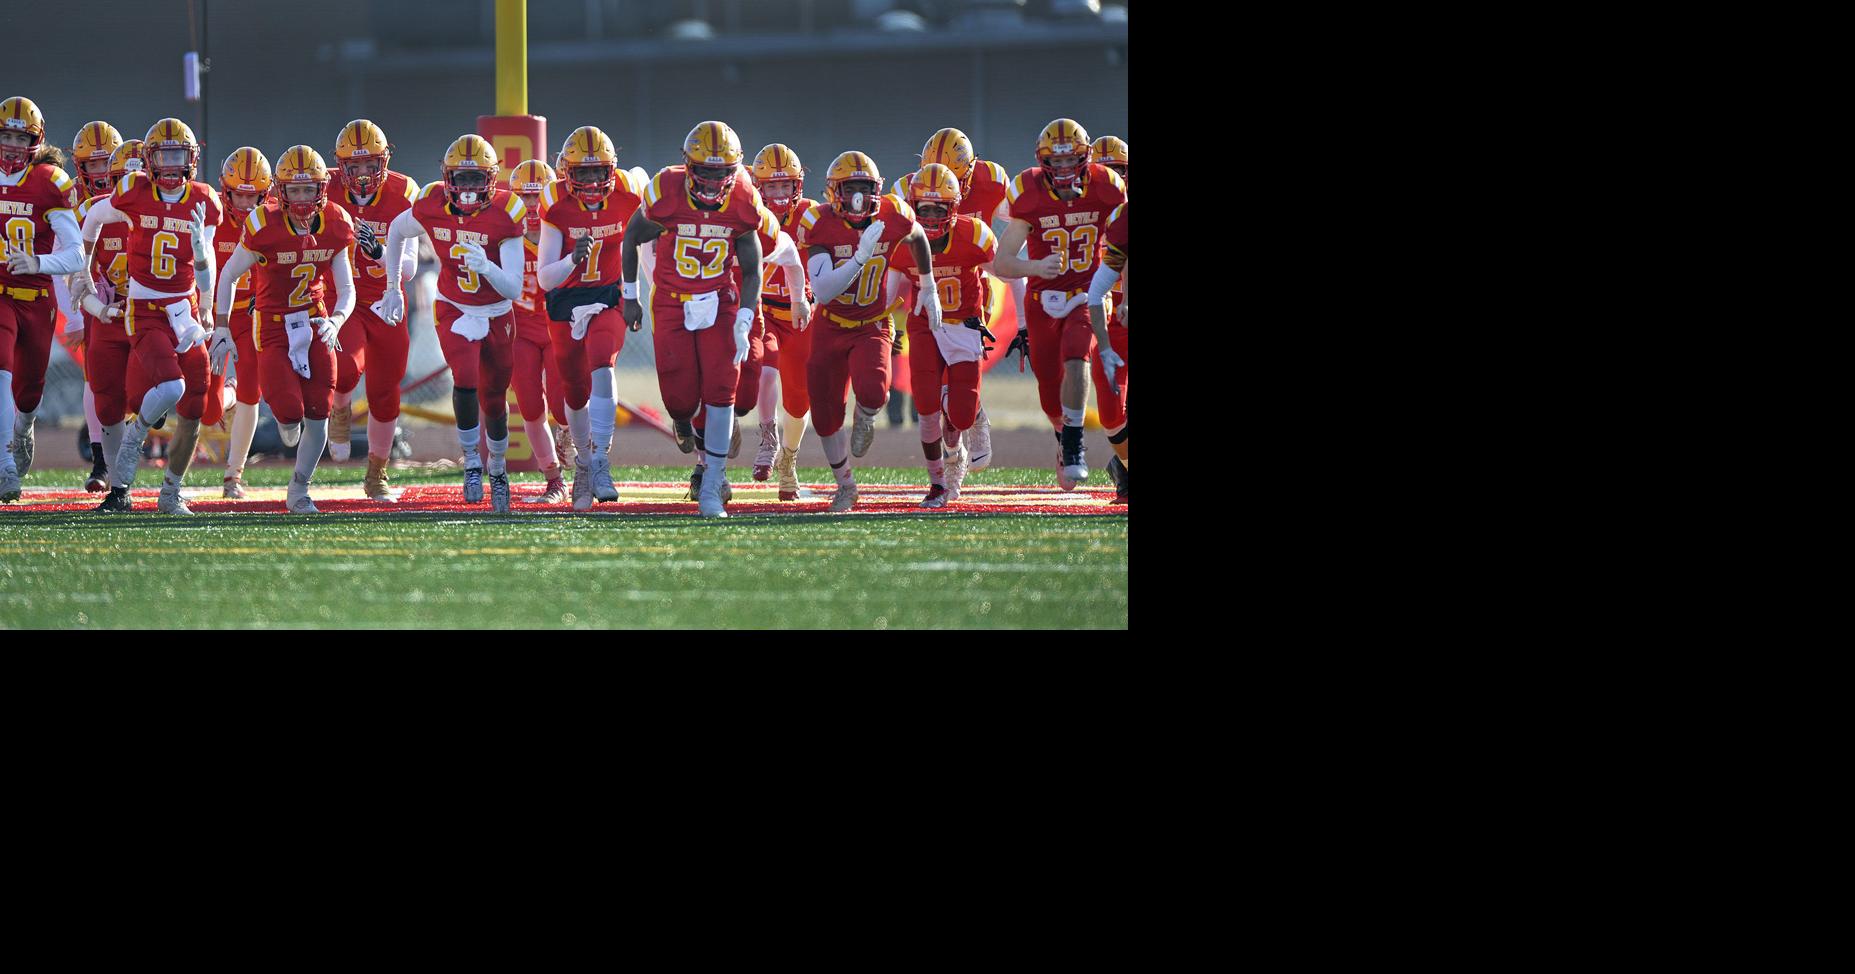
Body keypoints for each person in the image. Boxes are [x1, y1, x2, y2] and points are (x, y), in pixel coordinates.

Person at [618, 121, 766, 518]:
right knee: (680, 401)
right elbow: (631, 237)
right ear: (688, 166)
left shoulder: (743, 199)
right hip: (671, 302)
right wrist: (630, 296)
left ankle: (713, 481)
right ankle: (684, 421)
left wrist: (745, 316)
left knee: (722, 390)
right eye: (706, 171)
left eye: (722, 172)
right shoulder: (666, 190)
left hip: (719, 300)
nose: (714, 181)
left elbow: (753, 269)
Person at [77, 118, 222, 513]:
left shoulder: (205, 199)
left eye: (179, 155)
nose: (172, 165)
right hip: (144, 309)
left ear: (192, 158)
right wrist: (84, 270)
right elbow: (93, 217)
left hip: (183, 309)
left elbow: (207, 265)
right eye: (164, 155)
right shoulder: (133, 191)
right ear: (149, 160)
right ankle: (134, 438)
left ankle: (171, 491)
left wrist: (206, 298)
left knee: (196, 398)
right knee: (170, 387)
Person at [381, 134, 528, 513]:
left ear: (490, 179)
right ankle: (472, 462)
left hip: (496, 311)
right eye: (461, 178)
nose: (467, 188)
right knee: (465, 377)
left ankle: (498, 467)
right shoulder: (431, 202)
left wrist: (487, 267)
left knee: (494, 397)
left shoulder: (507, 210)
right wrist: (393, 286)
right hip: (454, 307)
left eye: (476, 178)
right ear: (448, 178)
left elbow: (513, 288)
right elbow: (397, 231)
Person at [213, 146, 356, 512]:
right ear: (281, 190)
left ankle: (299, 489)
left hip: (315, 321)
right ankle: (284, 425)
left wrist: (337, 320)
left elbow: (347, 288)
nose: (303, 198)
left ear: (322, 189)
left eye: (309, 189)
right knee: (290, 413)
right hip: (273, 326)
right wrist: (222, 325)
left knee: (320, 410)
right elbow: (228, 275)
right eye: (295, 189)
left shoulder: (336, 222)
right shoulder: (263, 225)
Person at [793, 150, 938, 512]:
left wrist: (929, 284)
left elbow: (918, 235)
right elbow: (824, 290)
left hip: (872, 322)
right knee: (825, 414)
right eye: (850, 188)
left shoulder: (893, 213)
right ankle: (845, 485)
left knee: (874, 393)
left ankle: (865, 415)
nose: (859, 196)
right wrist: (860, 255)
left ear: (877, 189)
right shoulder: (818, 222)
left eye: (865, 187)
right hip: (830, 324)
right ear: (834, 192)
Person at [994, 118, 1125, 488]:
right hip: (1043, 299)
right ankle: (1062, 433)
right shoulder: (1028, 190)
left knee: (1077, 355)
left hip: (1089, 292)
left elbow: (1124, 244)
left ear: (1085, 158)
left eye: (1071, 160)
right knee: (1050, 392)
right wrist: (1035, 266)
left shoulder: (1107, 186)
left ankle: (1074, 445)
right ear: (1043, 161)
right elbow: (1003, 262)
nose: (1065, 168)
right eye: (1057, 160)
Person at [886, 164, 999, 507]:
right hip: (925, 324)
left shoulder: (974, 234)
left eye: (939, 209)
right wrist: (881, 324)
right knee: (926, 404)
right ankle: (940, 479)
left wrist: (1025, 316)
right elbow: (886, 296)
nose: (932, 217)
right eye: (925, 208)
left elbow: (1007, 272)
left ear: (954, 207)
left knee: (960, 413)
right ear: (913, 206)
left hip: (964, 324)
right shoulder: (902, 241)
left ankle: (972, 416)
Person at [327, 119, 420, 500]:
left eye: (370, 164)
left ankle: (377, 473)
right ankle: (341, 406)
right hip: (343, 298)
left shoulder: (404, 191)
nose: (364, 174)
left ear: (384, 161)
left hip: (387, 300)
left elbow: (409, 268)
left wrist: (381, 253)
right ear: (341, 166)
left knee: (385, 391)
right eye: (355, 165)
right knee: (346, 368)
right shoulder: (324, 185)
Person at [1, 96, 86, 503]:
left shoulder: (49, 181)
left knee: (28, 392)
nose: (13, 144)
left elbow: (77, 254)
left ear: (36, 141)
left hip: (35, 296)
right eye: (7, 135)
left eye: (22, 137)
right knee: (1, 373)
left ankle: (23, 428)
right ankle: (4, 465)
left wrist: (37, 261)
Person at [212, 146, 271, 498]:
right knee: (208, 410)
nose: (246, 204)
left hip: (253, 313)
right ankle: (227, 395)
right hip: (215, 315)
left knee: (253, 391)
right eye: (239, 195)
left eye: (254, 196)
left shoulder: (275, 218)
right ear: (226, 191)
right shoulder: (211, 213)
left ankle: (233, 475)